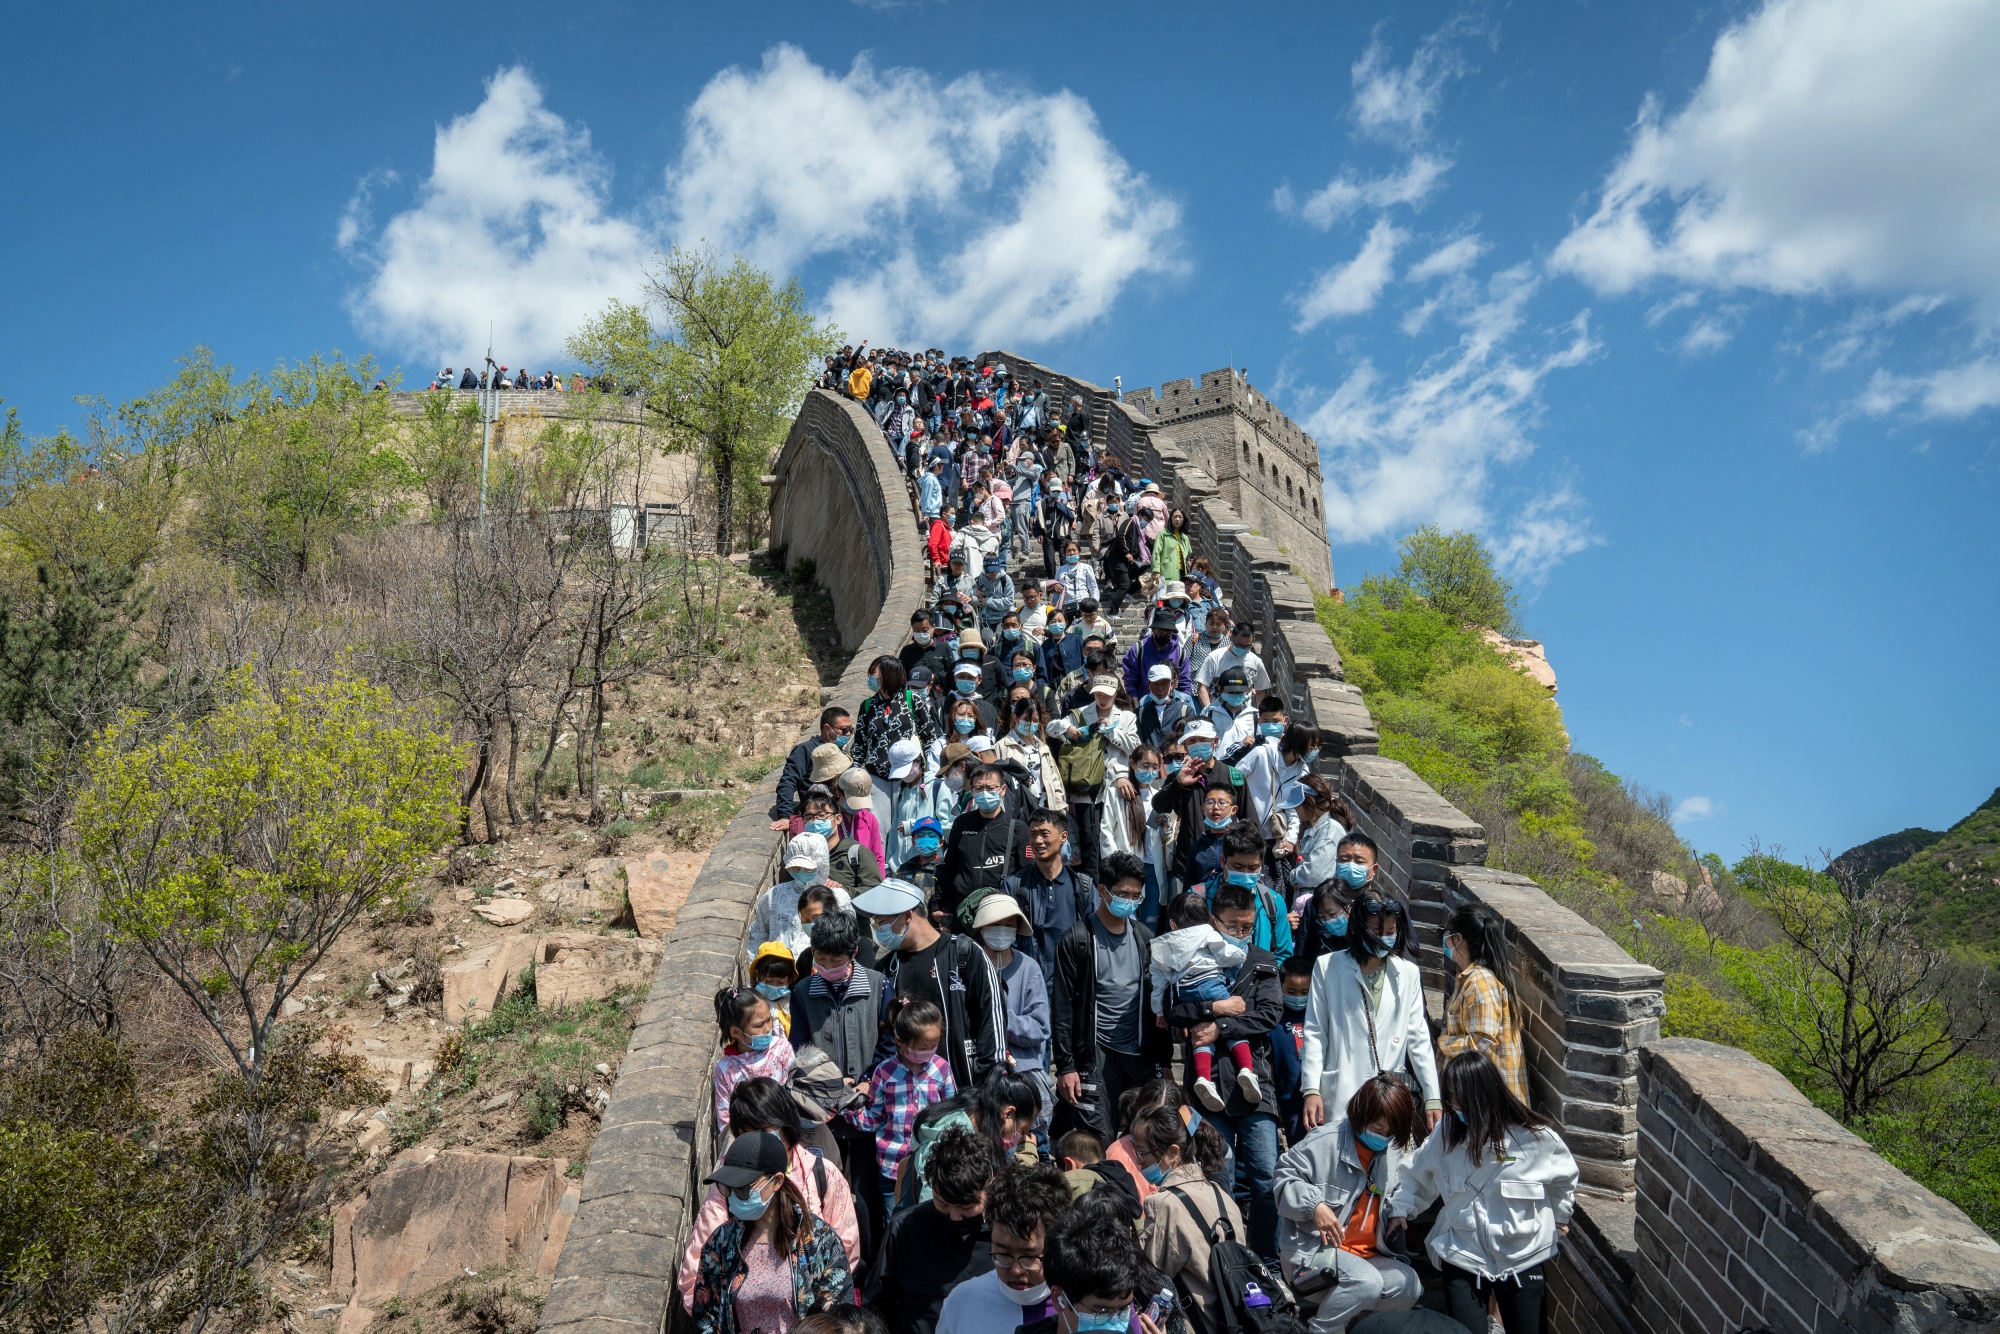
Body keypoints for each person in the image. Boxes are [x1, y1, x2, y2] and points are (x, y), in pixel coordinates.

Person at [1386, 1053, 1579, 1334]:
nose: (1454, 1108)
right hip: (1463, 1255)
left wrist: (1561, 1216)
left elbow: (1565, 1178)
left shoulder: (1536, 1140)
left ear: (1483, 1095)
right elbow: (1415, 1176)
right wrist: (1402, 1208)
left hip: (1521, 1256)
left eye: (1459, 1100)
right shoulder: (1445, 1135)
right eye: (1450, 1100)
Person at [1166, 881, 1285, 1259]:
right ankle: (1229, 1257)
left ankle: (1267, 1259)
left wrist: (1223, 1028)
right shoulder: (1190, 957)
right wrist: (1213, 1010)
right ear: (1214, 921)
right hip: (1208, 1085)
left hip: (1255, 1084)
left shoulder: (1262, 961)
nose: (1238, 934)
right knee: (1218, 1175)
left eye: (1245, 927)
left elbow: (1269, 1015)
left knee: (1266, 1177)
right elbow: (1173, 1011)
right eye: (1231, 926)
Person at [680, 1079, 863, 1309]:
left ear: (787, 1127)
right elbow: (695, 1279)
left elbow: (843, 1257)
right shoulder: (725, 1188)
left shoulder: (824, 1176)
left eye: (765, 1132)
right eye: (747, 1135)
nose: (758, 1144)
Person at [1273, 1073, 1429, 1334]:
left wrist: (1400, 1209)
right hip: (1313, 1255)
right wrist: (1314, 1206)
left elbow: (1403, 1186)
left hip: (1368, 1255)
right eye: (1379, 1129)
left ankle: (1357, 1328)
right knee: (1365, 1282)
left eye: (1391, 1131)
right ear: (1361, 1113)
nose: (1384, 1137)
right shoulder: (1323, 1142)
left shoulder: (1392, 1150)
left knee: (1409, 1285)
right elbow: (1283, 1178)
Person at [1051, 852, 1170, 1144]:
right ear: (1102, 891)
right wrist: (1066, 1066)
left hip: (1138, 1054)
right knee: (1098, 1137)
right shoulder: (1078, 939)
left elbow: (1158, 1001)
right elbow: (1063, 1007)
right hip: (1096, 1055)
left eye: (1136, 896)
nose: (1129, 901)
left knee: (1144, 1138)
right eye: (1122, 894)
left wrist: (1164, 1060)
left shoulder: (1144, 937)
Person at [1299, 892, 1441, 1133]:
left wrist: (1432, 1095)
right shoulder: (1328, 967)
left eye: (1389, 930)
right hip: (1343, 1086)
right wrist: (1311, 1089)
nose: (1383, 937)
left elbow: (1418, 1038)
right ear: (1356, 929)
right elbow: (1315, 1032)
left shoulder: (1407, 973)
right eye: (1375, 930)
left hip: (1388, 1091)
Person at [689, 1130, 854, 1334]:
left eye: (743, 1189)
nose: (733, 1197)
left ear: (776, 1181)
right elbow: (704, 1319)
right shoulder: (722, 1242)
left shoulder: (820, 1242)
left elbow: (839, 1320)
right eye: (728, 1188)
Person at [853, 878, 1007, 1092]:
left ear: (907, 915)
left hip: (964, 1091)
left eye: (881, 922)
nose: (878, 930)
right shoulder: (887, 968)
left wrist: (990, 1086)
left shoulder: (963, 953)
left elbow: (992, 1018)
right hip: (905, 1097)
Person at [867, 1126, 995, 1334]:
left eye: (965, 1207)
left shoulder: (1006, 1232)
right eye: (943, 1203)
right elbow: (876, 1306)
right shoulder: (904, 1228)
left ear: (988, 1188)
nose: (954, 1216)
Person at [1132, 1104, 1245, 1333]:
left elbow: (1148, 1279)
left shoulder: (1165, 1205)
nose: (1138, 1161)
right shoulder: (1222, 1195)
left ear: (1173, 1153)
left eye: (1142, 1152)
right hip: (1234, 1322)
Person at [844, 997, 957, 1214]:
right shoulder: (884, 1072)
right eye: (923, 1047)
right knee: (895, 1222)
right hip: (892, 1168)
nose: (930, 1051)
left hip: (932, 1167)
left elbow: (951, 1116)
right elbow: (874, 1117)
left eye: (935, 1045)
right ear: (899, 1041)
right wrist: (847, 1108)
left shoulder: (942, 1069)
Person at [935, 1162, 1072, 1334]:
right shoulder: (961, 1303)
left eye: (1029, 1256)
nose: (1015, 1270)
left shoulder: (1082, 1308)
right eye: (1004, 1253)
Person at [1147, 893, 1253, 1111]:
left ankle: (1204, 1079)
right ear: (1208, 919)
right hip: (1210, 985)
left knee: (1200, 1036)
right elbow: (1225, 955)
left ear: (1173, 923)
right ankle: (1246, 1070)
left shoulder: (1162, 946)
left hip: (1184, 993)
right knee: (1235, 1026)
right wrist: (1242, 956)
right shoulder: (1207, 932)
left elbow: (1158, 984)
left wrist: (1158, 1012)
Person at [973, 894, 1054, 1145]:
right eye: (995, 924)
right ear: (982, 927)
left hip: (1024, 1082)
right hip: (981, 1080)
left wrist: (998, 1017)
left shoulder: (1029, 968)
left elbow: (1040, 1027)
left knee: (1032, 1151)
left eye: (1010, 925)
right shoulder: (969, 966)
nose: (1002, 931)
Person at [1047, 675, 1137, 881]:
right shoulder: (1079, 714)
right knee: (1089, 839)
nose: (1102, 699)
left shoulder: (1126, 717)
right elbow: (1051, 728)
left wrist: (1110, 732)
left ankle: (1112, 882)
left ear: (1115, 694)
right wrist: (1067, 728)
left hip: (1114, 786)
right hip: (1085, 788)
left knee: (1113, 839)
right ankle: (1091, 886)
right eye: (1098, 694)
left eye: (1107, 695)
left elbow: (1134, 747)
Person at [1439, 904, 1529, 1104]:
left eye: (1445, 934)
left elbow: (1481, 1043)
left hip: (1490, 1101)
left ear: (1458, 939)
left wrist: (1444, 1043)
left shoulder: (1480, 983)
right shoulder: (1469, 977)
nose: (1443, 939)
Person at [998, 807, 1094, 978]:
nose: (1038, 840)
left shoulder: (1083, 887)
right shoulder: (1014, 886)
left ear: (1063, 837)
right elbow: (1004, 937)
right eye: (1033, 834)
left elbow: (1095, 938)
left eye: (1045, 833)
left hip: (1072, 985)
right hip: (1028, 983)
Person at [856, 658, 939, 826]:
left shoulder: (912, 699)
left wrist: (931, 771)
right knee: (879, 826)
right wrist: (855, 770)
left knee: (905, 823)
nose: (871, 677)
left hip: (909, 774)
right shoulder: (867, 706)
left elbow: (929, 737)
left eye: (875, 673)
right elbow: (860, 744)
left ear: (890, 675)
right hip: (877, 776)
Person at [1202, 821, 1295, 963]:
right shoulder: (1199, 898)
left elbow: (1283, 955)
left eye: (1253, 868)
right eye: (1238, 866)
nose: (1245, 873)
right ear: (1222, 861)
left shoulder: (1274, 902)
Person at [750, 834, 851, 961]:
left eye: (807, 869)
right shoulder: (775, 895)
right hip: (777, 973)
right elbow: (758, 934)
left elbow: (847, 939)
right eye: (795, 868)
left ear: (821, 864)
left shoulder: (838, 897)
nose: (800, 871)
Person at [713, 985, 794, 1129]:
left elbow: (795, 1097)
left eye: (769, 1020)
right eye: (759, 1025)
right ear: (736, 1032)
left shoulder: (782, 1049)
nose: (768, 1028)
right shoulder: (725, 1069)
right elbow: (725, 1119)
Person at [775, 708, 855, 829]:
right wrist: (785, 816)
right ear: (827, 728)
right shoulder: (805, 750)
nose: (848, 734)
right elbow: (788, 781)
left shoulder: (840, 751)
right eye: (844, 730)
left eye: (851, 730)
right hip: (819, 819)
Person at [801, 785, 885, 892]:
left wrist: (840, 892)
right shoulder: (801, 856)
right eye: (808, 817)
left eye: (821, 815)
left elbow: (874, 891)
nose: (815, 821)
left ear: (838, 818)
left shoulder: (858, 853)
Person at [997, 698, 1066, 810]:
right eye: (1026, 719)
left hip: (1045, 809)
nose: (1030, 724)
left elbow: (1055, 781)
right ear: (1015, 717)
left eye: (1035, 720)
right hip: (1019, 810)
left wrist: (1060, 809)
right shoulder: (1003, 746)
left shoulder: (1043, 748)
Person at [1273, 953, 1314, 1141]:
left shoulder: (1319, 1015)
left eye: (1305, 992)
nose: (1298, 997)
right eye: (1291, 991)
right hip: (1289, 1101)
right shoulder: (1273, 1019)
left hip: (1318, 1098)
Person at [1121, 608, 1193, 702]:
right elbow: (1130, 679)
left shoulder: (1181, 654)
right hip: (1144, 704)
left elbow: (1185, 684)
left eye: (1168, 633)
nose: (1164, 635)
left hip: (1172, 706)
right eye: (1160, 632)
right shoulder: (1139, 649)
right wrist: (1135, 703)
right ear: (1153, 630)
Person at [1194, 621, 1274, 706]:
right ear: (1231, 637)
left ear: (1253, 640)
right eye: (1238, 644)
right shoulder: (1214, 658)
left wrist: (1259, 715)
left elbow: (1261, 691)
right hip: (1217, 713)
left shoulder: (1256, 661)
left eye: (1246, 646)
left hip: (1245, 715)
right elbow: (1202, 687)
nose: (1242, 648)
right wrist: (1208, 711)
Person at [1134, 664, 1196, 750]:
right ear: (1148, 685)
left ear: (1171, 684)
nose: (1160, 688)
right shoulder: (1140, 713)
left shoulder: (1185, 711)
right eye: (1156, 684)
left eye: (1164, 684)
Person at [752, 943, 799, 1033]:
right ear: (756, 974)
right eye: (769, 981)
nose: (775, 986)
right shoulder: (749, 1003)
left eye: (781, 982)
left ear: (790, 980)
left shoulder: (793, 1004)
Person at [1151, 509, 1193, 590]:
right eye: (1175, 517)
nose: (1177, 519)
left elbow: (1188, 554)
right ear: (1171, 518)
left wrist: (1189, 561)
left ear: (1184, 519)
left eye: (1180, 517)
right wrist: (1156, 570)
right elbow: (1156, 553)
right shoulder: (1163, 534)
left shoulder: (1185, 537)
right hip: (1167, 572)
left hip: (1183, 573)